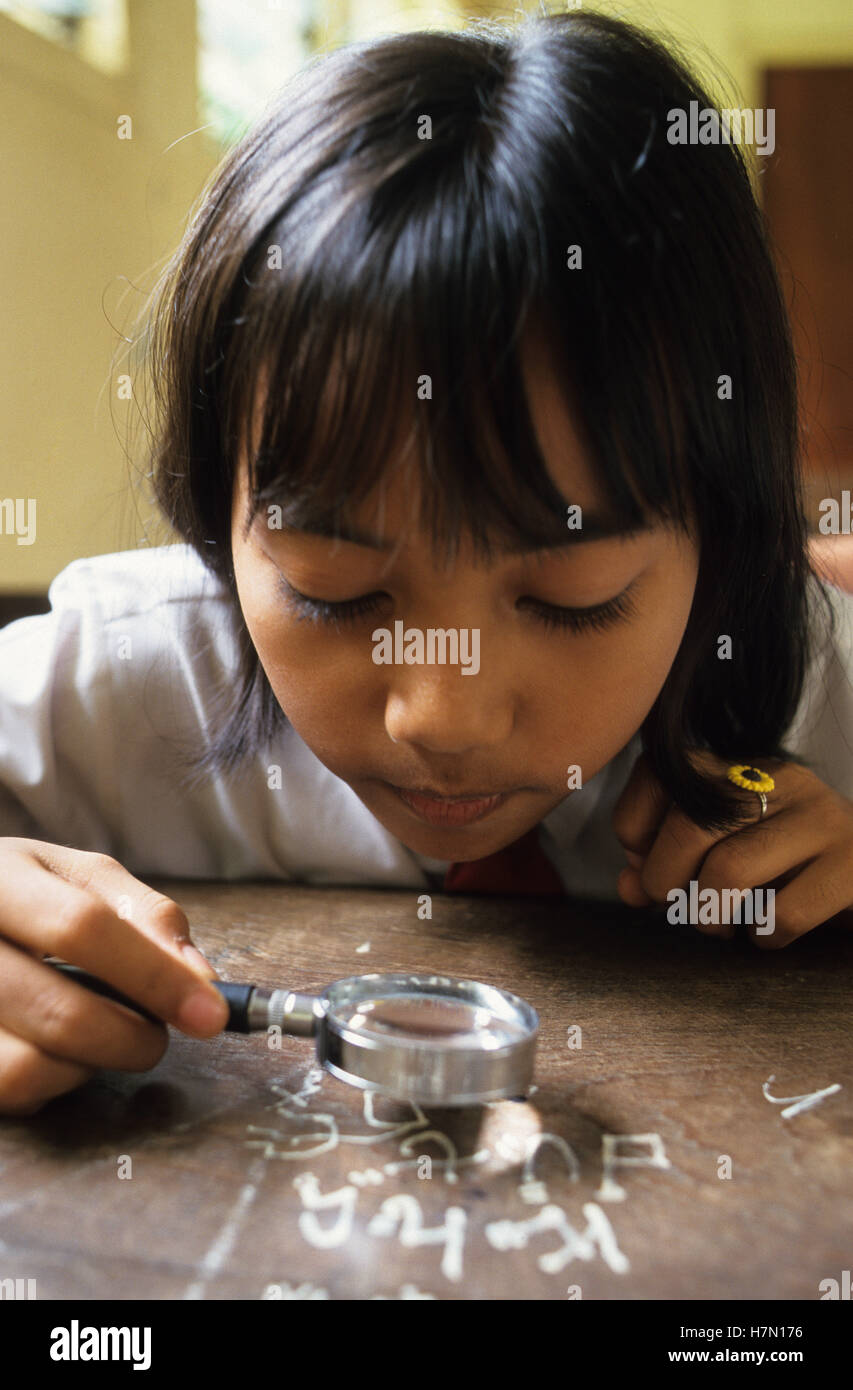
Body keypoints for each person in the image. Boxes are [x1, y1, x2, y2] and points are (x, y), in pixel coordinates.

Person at [1, 10, 851, 1114]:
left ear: (722, 533)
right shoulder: (123, 673)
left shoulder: (817, 689)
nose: (441, 715)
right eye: (331, 586)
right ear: (221, 516)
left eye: (570, 595)